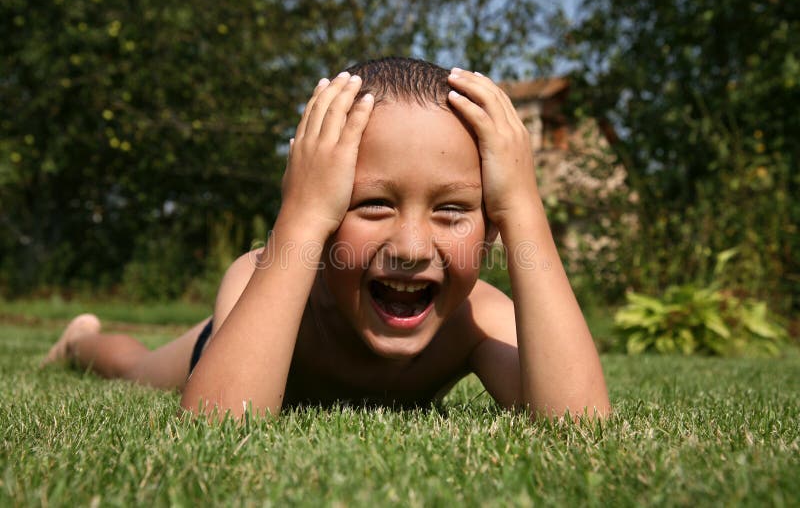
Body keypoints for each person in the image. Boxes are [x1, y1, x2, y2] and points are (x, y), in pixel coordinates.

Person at [42, 57, 610, 420]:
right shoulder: (263, 275)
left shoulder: (479, 319)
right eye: (373, 204)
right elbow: (215, 424)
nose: (411, 247)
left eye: (452, 210)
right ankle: (78, 340)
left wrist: (524, 209)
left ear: (490, 231)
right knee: (137, 368)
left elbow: (578, 423)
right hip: (226, 342)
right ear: (326, 213)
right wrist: (301, 216)